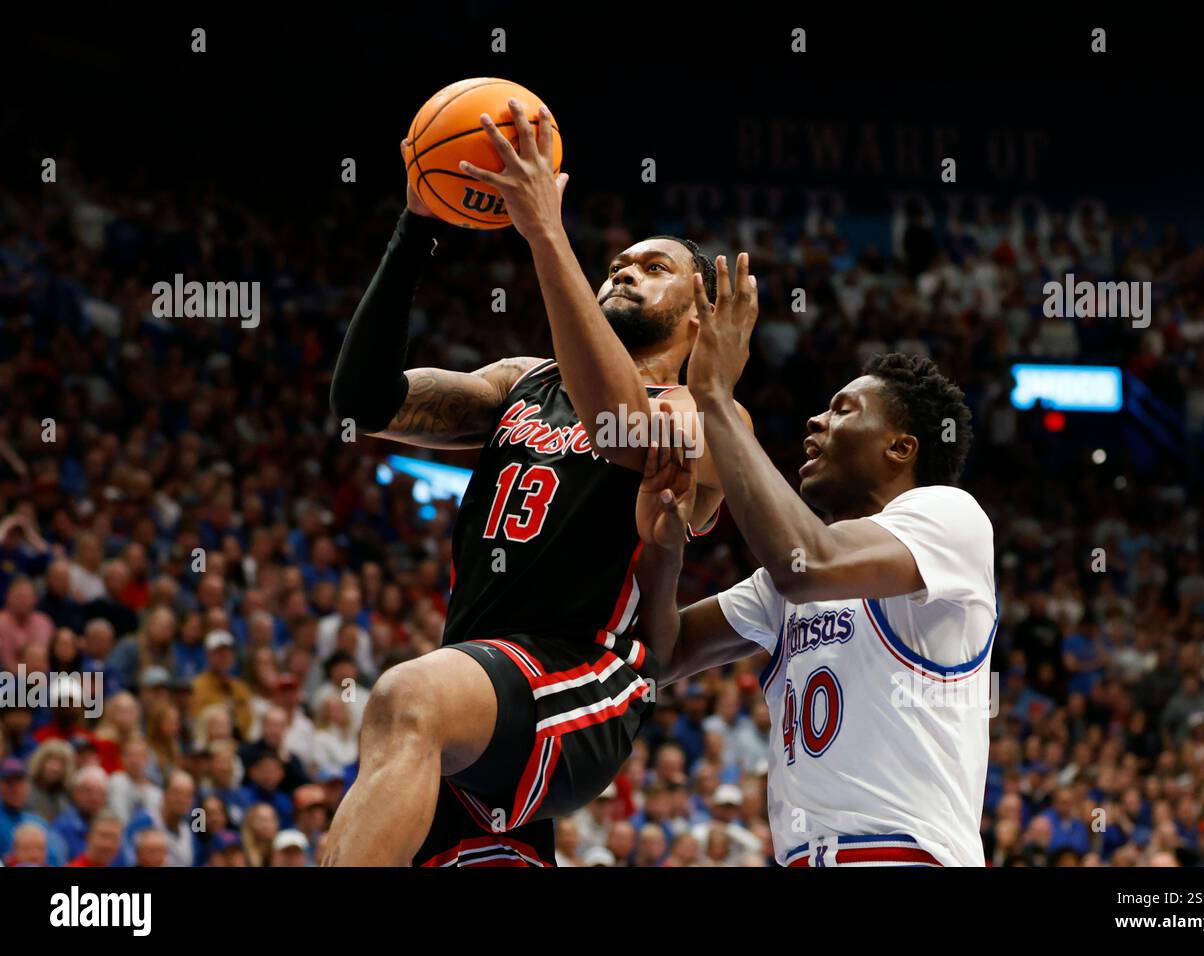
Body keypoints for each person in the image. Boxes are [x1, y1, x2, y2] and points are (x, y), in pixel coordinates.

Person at [324, 100, 751, 867]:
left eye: (655, 269)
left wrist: (543, 230)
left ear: (699, 317)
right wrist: (417, 223)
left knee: (404, 700)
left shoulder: (705, 418)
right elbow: (362, 401)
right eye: (617, 264)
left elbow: (615, 423)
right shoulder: (523, 381)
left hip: (581, 678)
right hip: (479, 684)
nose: (625, 272)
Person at [637, 341, 995, 867]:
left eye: (842, 410)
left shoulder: (948, 516)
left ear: (900, 448)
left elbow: (808, 562)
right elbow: (659, 659)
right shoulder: (783, 583)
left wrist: (713, 397)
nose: (815, 421)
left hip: (906, 855)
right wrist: (667, 548)